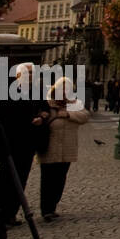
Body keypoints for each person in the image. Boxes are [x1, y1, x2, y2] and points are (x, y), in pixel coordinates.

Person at [0, 63, 50, 227]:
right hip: (11, 141)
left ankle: (12, 213)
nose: (30, 75)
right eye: (27, 73)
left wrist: (42, 117)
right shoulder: (8, 92)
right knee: (5, 178)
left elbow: (45, 109)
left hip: (29, 141)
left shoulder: (37, 92)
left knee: (21, 178)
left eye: (32, 73)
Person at [36, 77, 91, 221]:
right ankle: (46, 209)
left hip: (67, 148)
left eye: (68, 90)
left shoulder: (74, 104)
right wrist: (43, 117)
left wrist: (68, 114)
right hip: (50, 148)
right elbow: (38, 117)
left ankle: (52, 206)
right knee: (48, 179)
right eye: (63, 89)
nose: (65, 93)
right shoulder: (48, 103)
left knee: (60, 179)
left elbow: (85, 116)